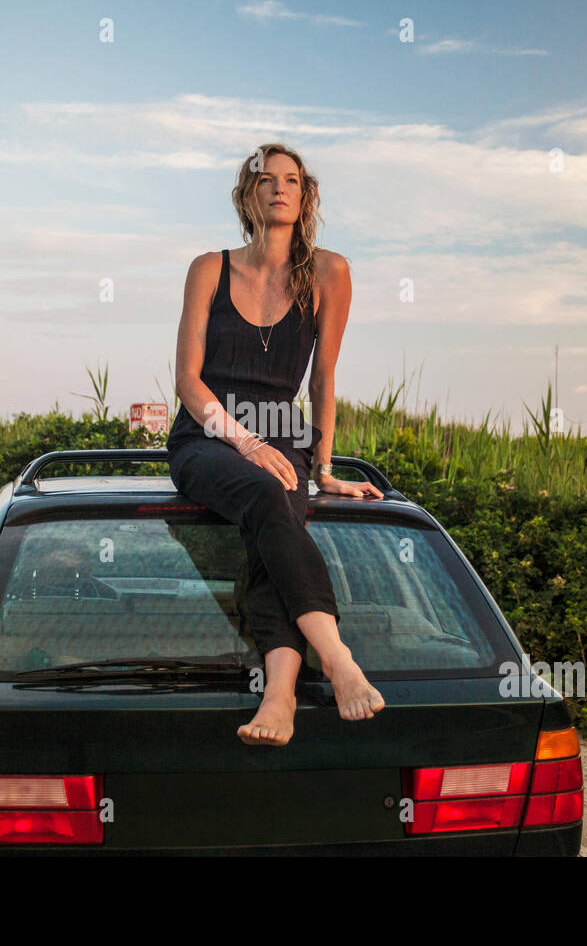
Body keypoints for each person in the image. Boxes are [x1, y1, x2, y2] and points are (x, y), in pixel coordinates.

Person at [166, 143, 386, 746]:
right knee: (267, 491)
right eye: (266, 181)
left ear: (305, 195)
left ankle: (280, 694)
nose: (279, 189)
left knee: (276, 521)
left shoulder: (329, 274)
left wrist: (323, 468)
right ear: (248, 195)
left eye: (291, 181)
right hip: (206, 434)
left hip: (284, 442)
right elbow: (187, 380)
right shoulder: (209, 267)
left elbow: (323, 379)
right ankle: (338, 660)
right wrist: (246, 442)